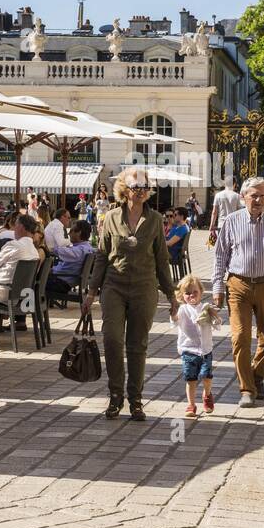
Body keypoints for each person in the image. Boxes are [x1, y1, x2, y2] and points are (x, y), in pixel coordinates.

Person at [83, 166, 178, 421]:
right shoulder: (111, 217)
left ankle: (135, 400)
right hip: (114, 285)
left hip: (144, 288)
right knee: (112, 340)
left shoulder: (156, 219)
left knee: (137, 345)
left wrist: (171, 295)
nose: (141, 192)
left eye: (145, 187)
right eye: (136, 187)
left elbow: (161, 259)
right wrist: (92, 291)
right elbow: (101, 255)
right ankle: (115, 396)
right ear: (125, 189)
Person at [210, 176, 264, 408]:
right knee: (239, 337)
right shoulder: (231, 221)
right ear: (243, 197)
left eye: (262, 196)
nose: (258, 199)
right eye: (253, 195)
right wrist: (218, 287)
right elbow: (220, 256)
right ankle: (247, 389)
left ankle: (256, 377)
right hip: (238, 285)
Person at [172, 273, 218, 417]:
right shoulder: (183, 309)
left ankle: (207, 394)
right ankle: (191, 405)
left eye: (195, 292)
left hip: (205, 350)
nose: (191, 295)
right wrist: (173, 314)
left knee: (206, 376)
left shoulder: (206, 307)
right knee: (190, 379)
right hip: (188, 351)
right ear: (181, 295)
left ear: (201, 292)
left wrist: (214, 317)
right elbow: (175, 322)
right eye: (187, 293)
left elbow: (217, 325)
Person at [0, 213, 40, 309]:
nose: (13, 229)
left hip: (2, 293)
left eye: (15, 225)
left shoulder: (13, 245)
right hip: (22, 295)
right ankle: (18, 322)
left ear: (21, 227)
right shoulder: (35, 252)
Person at [47, 220, 94, 296]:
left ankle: (29, 306)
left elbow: (58, 251)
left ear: (79, 232)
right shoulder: (87, 248)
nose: (69, 233)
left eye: (71, 231)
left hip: (61, 283)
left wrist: (48, 247)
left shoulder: (80, 250)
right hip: (63, 280)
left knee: (33, 281)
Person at [207, 175, 243, 246]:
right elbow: (240, 212)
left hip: (222, 224)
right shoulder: (237, 196)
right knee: (233, 245)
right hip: (234, 224)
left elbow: (214, 212)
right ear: (234, 184)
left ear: (225, 184)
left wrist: (212, 225)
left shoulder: (218, 195)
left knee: (222, 245)